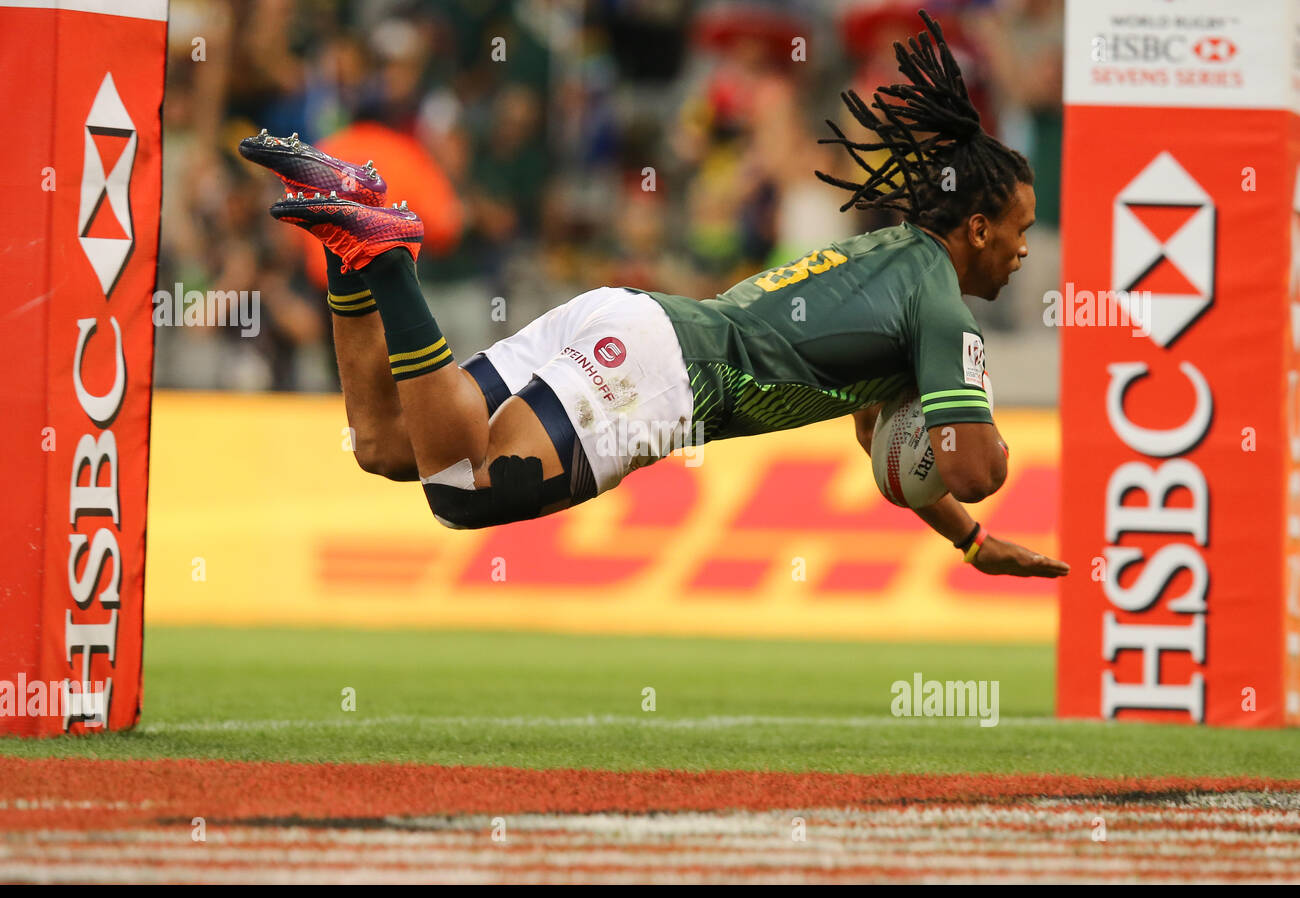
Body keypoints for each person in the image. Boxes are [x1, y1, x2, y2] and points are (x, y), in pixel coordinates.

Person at [239, 11, 1067, 579]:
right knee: (461, 488)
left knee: (386, 443)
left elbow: (870, 426)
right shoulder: (943, 311)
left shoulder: (896, 257)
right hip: (663, 375)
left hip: (627, 327)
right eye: (1022, 229)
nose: (1027, 252)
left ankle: (353, 246)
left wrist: (972, 542)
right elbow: (970, 466)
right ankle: (389, 260)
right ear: (981, 226)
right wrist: (975, 407)